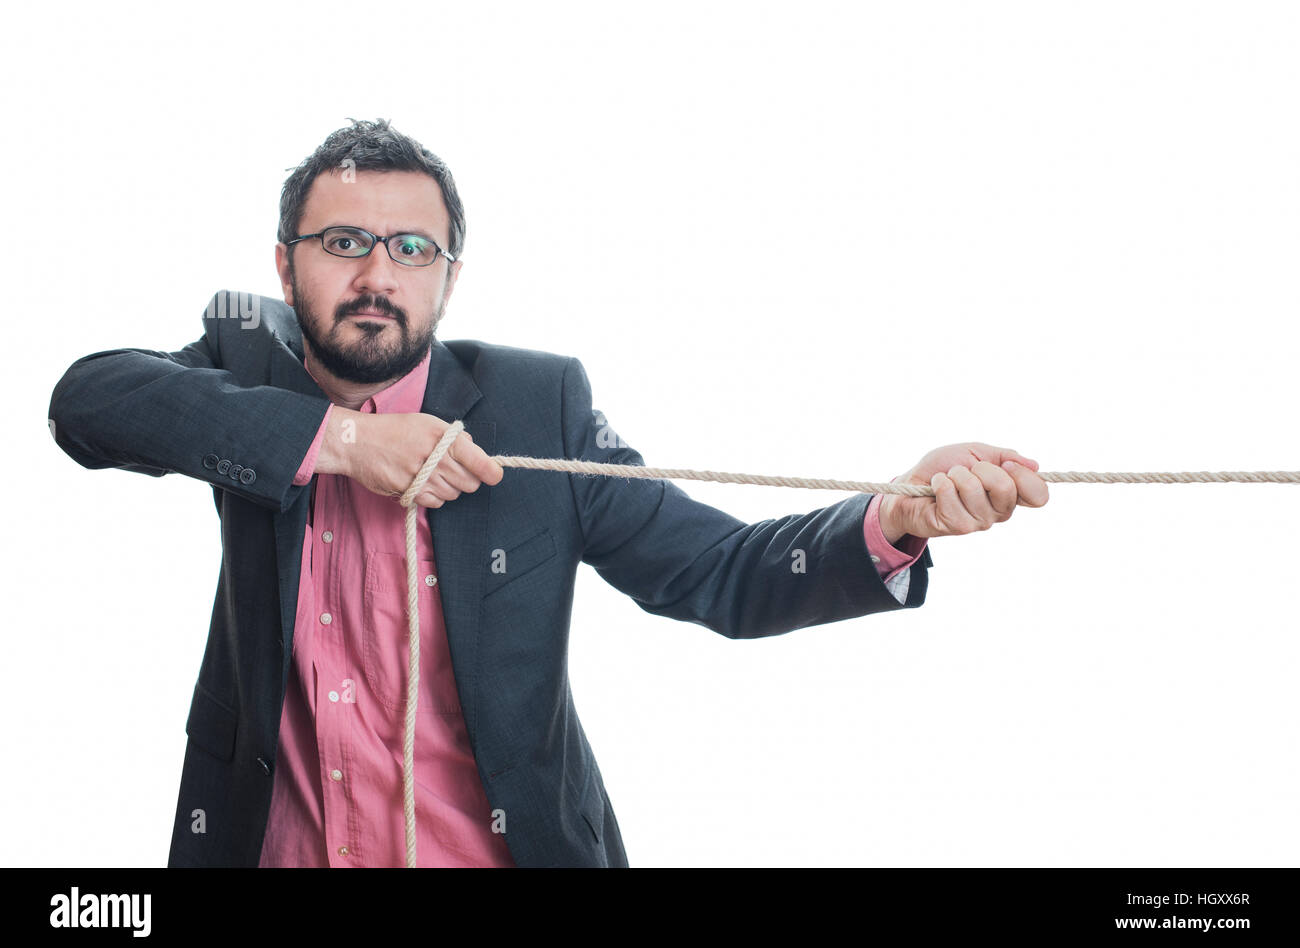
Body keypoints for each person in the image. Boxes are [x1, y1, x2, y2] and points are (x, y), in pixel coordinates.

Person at [47, 119, 1049, 867]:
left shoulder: (538, 404)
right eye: (343, 242)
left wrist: (898, 518)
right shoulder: (243, 360)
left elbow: (717, 573)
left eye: (412, 249)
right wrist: (343, 441)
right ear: (284, 263)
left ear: (448, 276)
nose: (377, 274)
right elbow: (89, 403)